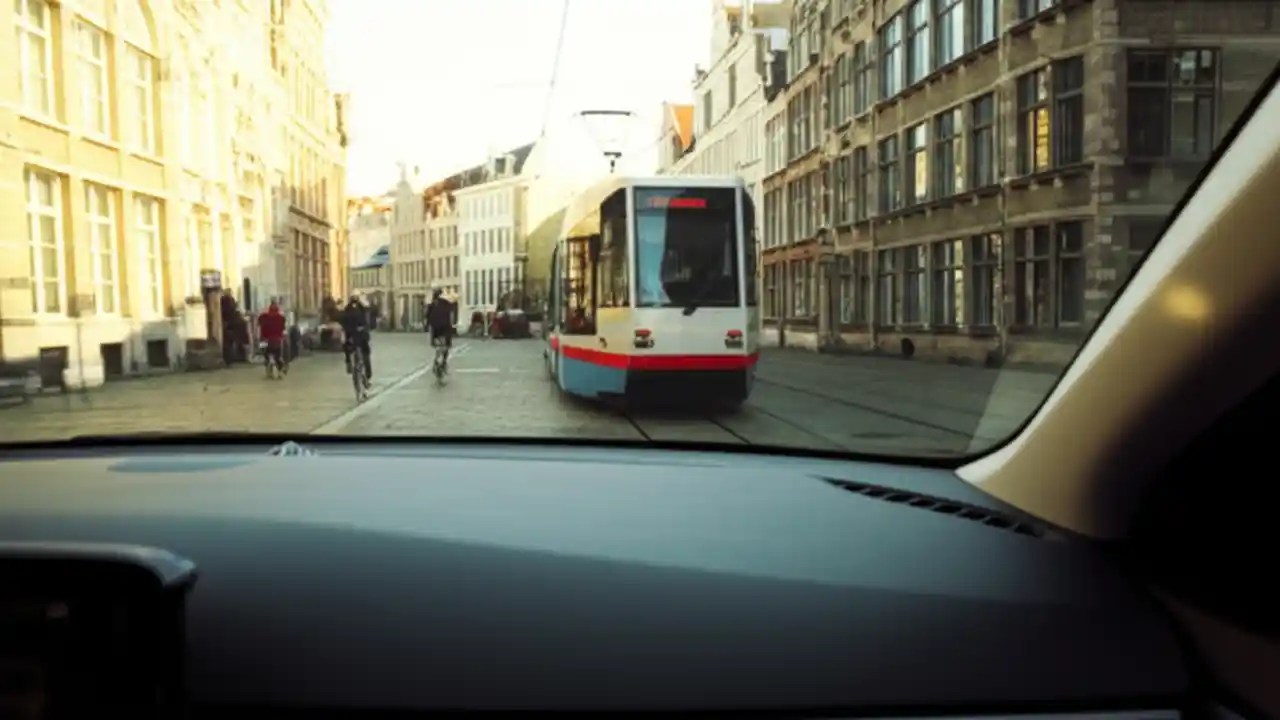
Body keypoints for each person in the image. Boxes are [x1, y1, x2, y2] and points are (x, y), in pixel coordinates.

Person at [339, 295, 372, 381]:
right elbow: (367, 322)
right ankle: (368, 374)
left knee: (347, 347)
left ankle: (348, 363)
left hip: (351, 335)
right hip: (360, 335)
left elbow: (342, 320)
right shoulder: (362, 309)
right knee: (366, 352)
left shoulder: (347, 309)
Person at [424, 289, 456, 365]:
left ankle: (437, 358)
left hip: (435, 328)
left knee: (438, 345)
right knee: (446, 346)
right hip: (445, 326)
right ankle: (444, 360)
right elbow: (452, 314)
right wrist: (452, 325)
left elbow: (427, 316)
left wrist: (427, 326)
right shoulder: (446, 303)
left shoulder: (431, 305)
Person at [257, 302, 287, 376]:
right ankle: (280, 371)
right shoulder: (281, 318)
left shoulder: (263, 317)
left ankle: (268, 371)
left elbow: (259, 325)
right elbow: (283, 329)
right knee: (278, 356)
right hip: (277, 340)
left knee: (265, 355)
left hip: (264, 340)